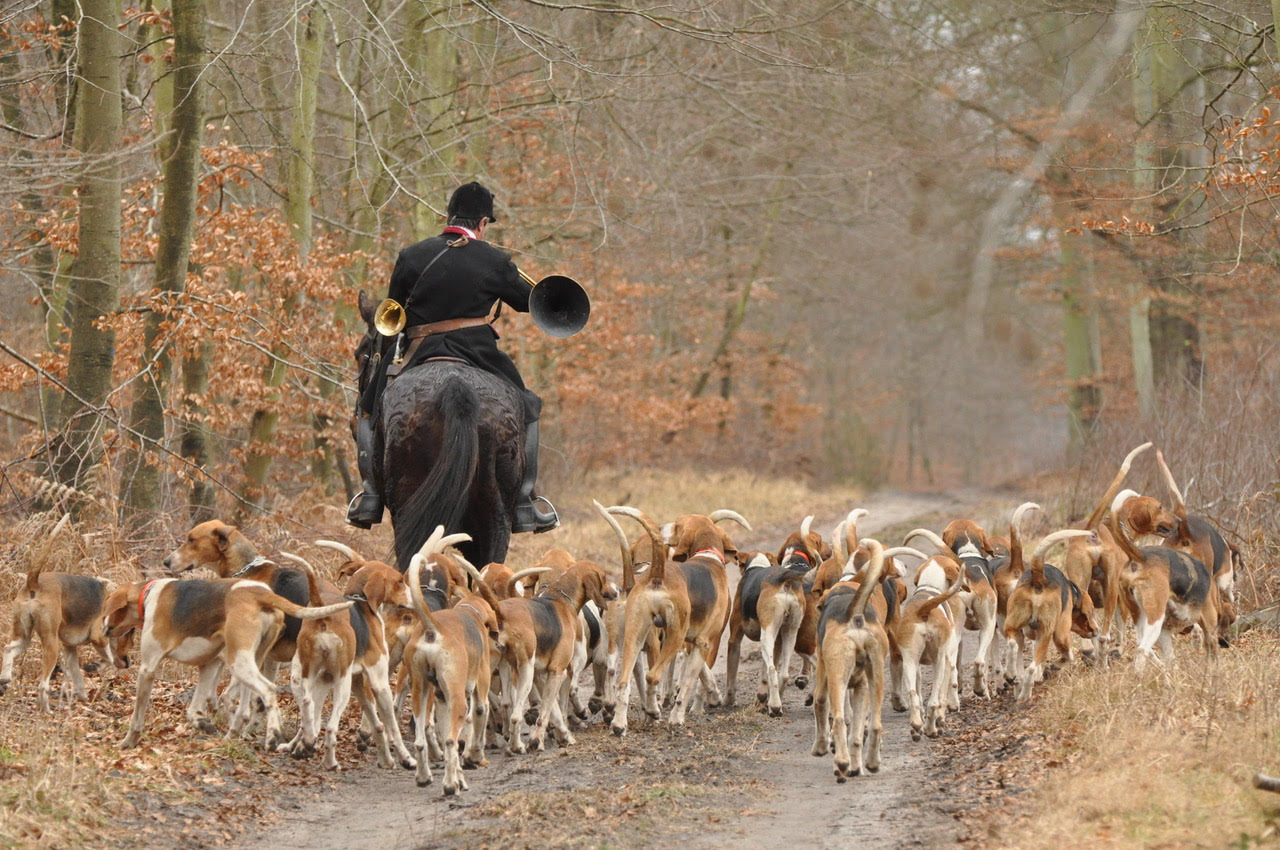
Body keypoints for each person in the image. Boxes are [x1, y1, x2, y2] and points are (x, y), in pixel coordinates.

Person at [346, 181, 559, 534]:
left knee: (370, 405)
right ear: (483, 223)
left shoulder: (411, 255)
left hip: (420, 349)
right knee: (528, 405)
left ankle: (369, 496)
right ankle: (524, 503)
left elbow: (394, 309)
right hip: (478, 352)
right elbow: (529, 301)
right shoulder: (495, 259)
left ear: (449, 215)